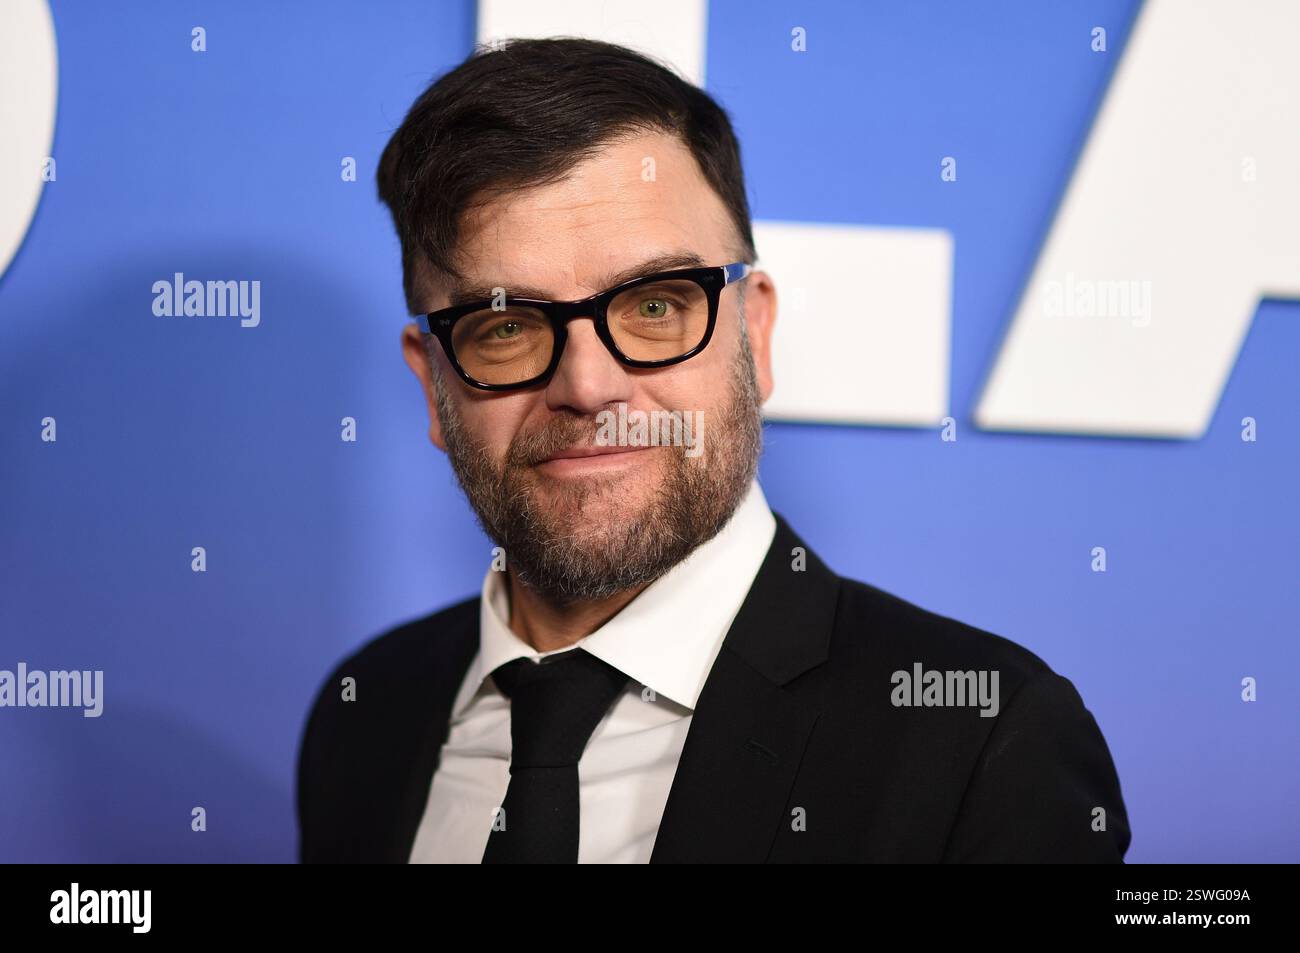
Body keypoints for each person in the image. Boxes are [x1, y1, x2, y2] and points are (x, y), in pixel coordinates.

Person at [296, 37, 1130, 863]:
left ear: (755, 334)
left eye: (657, 306)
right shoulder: (367, 713)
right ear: (431, 385)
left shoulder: (983, 742)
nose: (590, 388)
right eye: (507, 327)